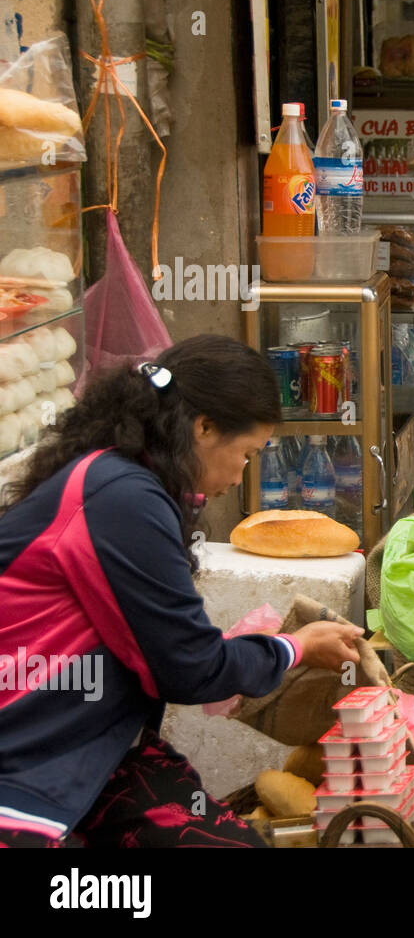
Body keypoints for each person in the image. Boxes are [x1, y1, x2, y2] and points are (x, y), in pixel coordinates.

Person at [0, 335, 364, 848]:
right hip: (28, 759)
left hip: (92, 744)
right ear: (204, 427)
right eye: (245, 455)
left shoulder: (121, 480)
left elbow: (167, 647)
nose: (241, 477)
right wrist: (295, 647)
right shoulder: (123, 495)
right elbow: (190, 669)